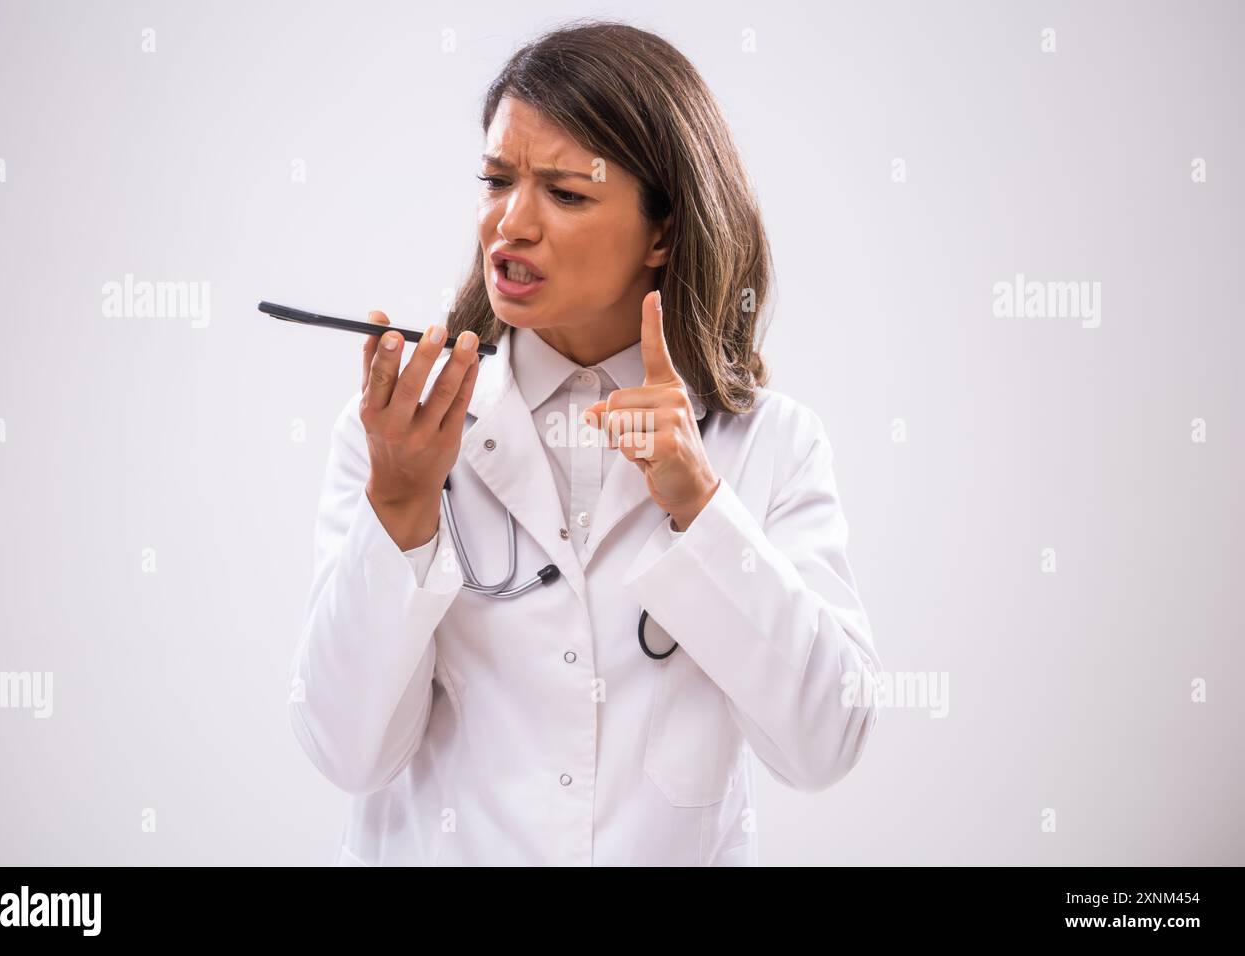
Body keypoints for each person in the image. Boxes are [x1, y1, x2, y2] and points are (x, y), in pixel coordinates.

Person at [288, 19, 881, 866]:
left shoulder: (769, 446)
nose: (510, 226)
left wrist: (702, 513)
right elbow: (346, 751)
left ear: (664, 232)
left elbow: (828, 742)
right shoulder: (396, 437)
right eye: (497, 181)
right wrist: (400, 507)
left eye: (566, 193)